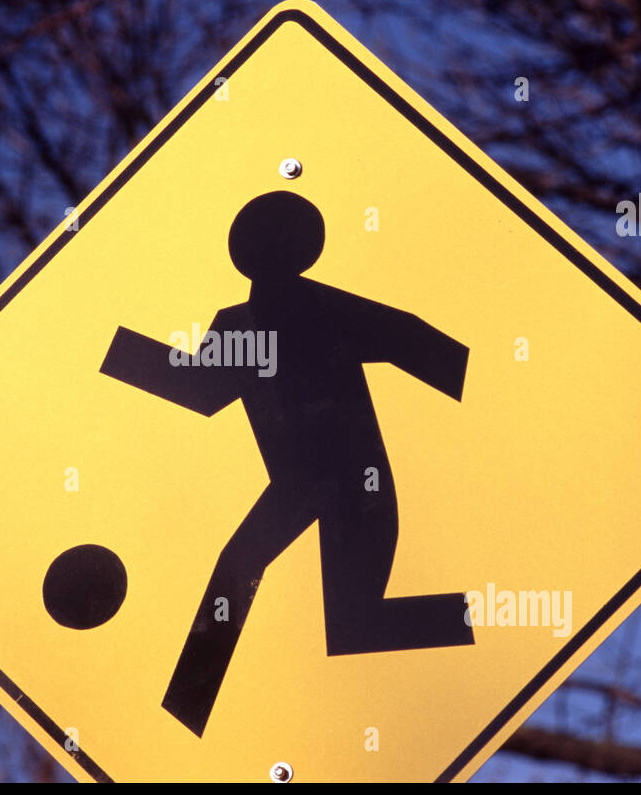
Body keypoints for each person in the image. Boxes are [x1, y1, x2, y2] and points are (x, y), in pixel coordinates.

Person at [101, 190, 474, 737]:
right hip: (298, 483)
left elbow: (413, 340)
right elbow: (199, 389)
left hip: (355, 485)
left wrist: (494, 391)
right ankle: (183, 716)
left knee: (355, 624)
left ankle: (483, 622)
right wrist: (110, 347)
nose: (264, 255)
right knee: (239, 565)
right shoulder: (238, 325)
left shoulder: (324, 308)